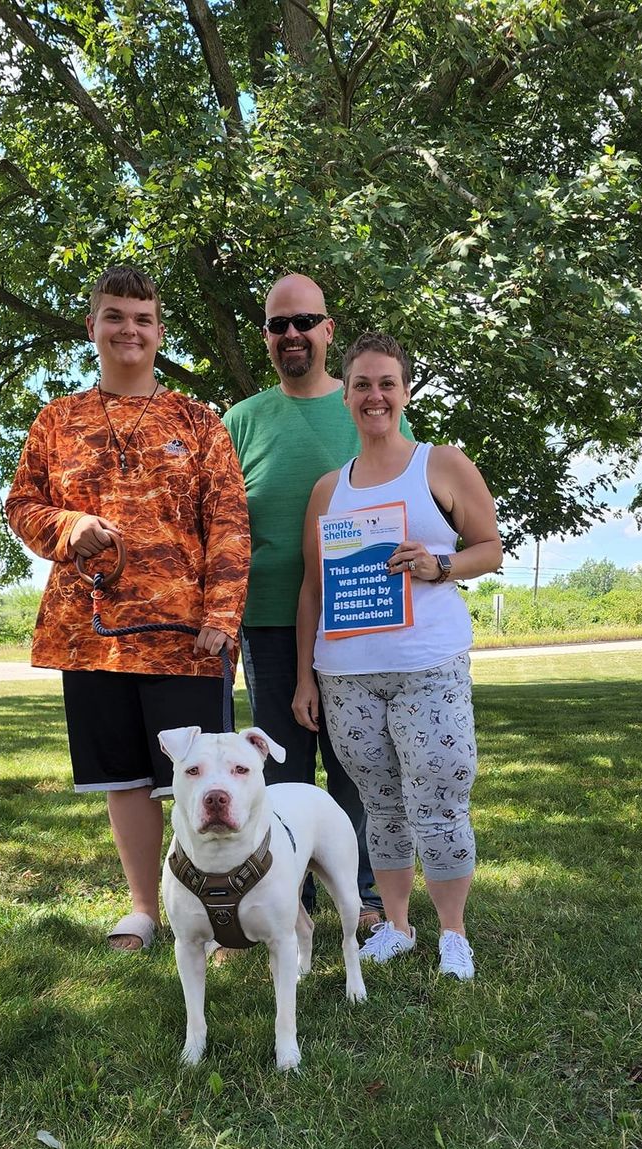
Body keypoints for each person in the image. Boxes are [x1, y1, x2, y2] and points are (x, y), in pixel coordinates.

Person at [5, 264, 250, 952]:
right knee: (126, 782)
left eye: (142, 319)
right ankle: (145, 909)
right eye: (115, 316)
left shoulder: (197, 421)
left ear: (159, 332)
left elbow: (229, 525)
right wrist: (67, 526)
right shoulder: (57, 420)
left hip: (186, 638)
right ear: (93, 327)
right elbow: (21, 507)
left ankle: (214, 914)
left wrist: (222, 617)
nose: (129, 329)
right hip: (90, 636)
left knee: (202, 783)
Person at [292, 332, 503, 979]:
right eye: (362, 385)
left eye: (387, 383)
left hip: (428, 667)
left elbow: (489, 547)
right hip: (347, 674)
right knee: (381, 805)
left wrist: (440, 565)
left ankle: (453, 934)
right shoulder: (330, 490)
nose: (374, 396)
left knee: (438, 799)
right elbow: (312, 587)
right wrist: (305, 676)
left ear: (405, 393)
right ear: (347, 397)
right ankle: (399, 926)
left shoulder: (441, 465)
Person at [223, 274, 412, 929]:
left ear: (329, 329)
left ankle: (359, 895)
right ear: (268, 338)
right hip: (269, 624)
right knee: (282, 772)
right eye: (278, 326)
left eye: (305, 321)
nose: (292, 335)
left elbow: (408, 496)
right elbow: (216, 523)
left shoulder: (368, 407)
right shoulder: (240, 422)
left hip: (362, 621)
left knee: (357, 762)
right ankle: (290, 902)